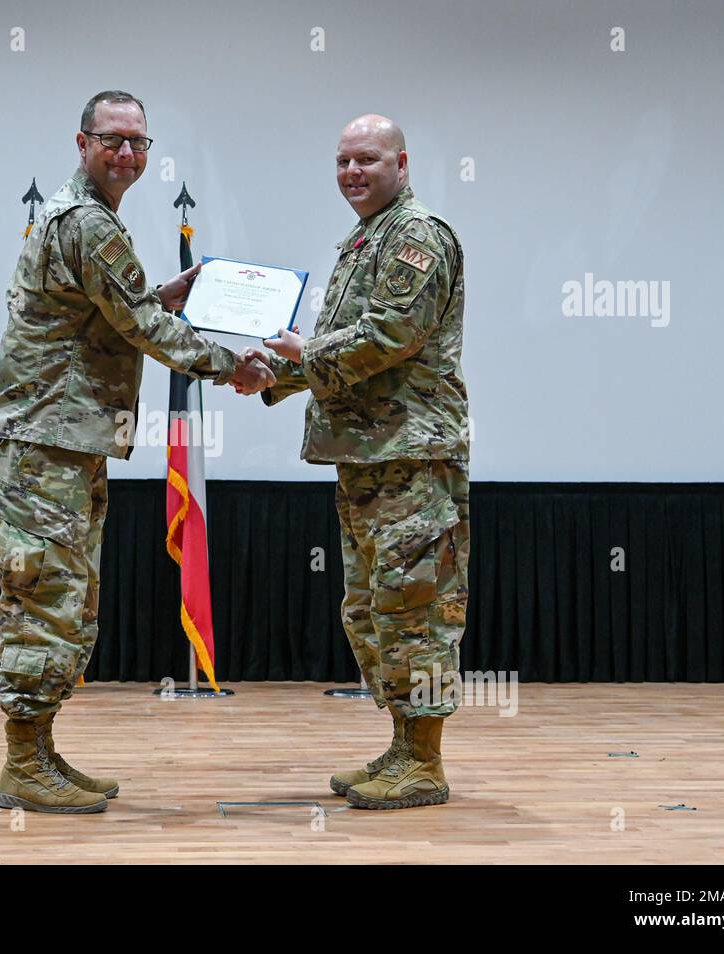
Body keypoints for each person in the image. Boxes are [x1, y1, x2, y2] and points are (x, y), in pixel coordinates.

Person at [0, 90, 275, 813]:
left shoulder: (87, 221)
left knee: (64, 606)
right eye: (112, 140)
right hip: (45, 446)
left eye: (139, 142)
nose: (127, 154)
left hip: (59, 445)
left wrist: (164, 295)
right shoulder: (87, 223)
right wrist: (232, 365)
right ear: (81, 144)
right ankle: (23, 763)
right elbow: (143, 327)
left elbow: (118, 313)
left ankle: (41, 753)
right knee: (45, 605)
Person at [246, 115, 469, 809]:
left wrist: (296, 361)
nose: (351, 172)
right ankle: (404, 744)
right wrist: (271, 375)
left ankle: (425, 762)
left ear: (401, 163)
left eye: (366, 160)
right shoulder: (366, 238)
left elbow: (389, 337)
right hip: (369, 455)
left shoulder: (416, 236)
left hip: (411, 454)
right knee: (373, 608)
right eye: (342, 160)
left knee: (417, 608)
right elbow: (342, 344)